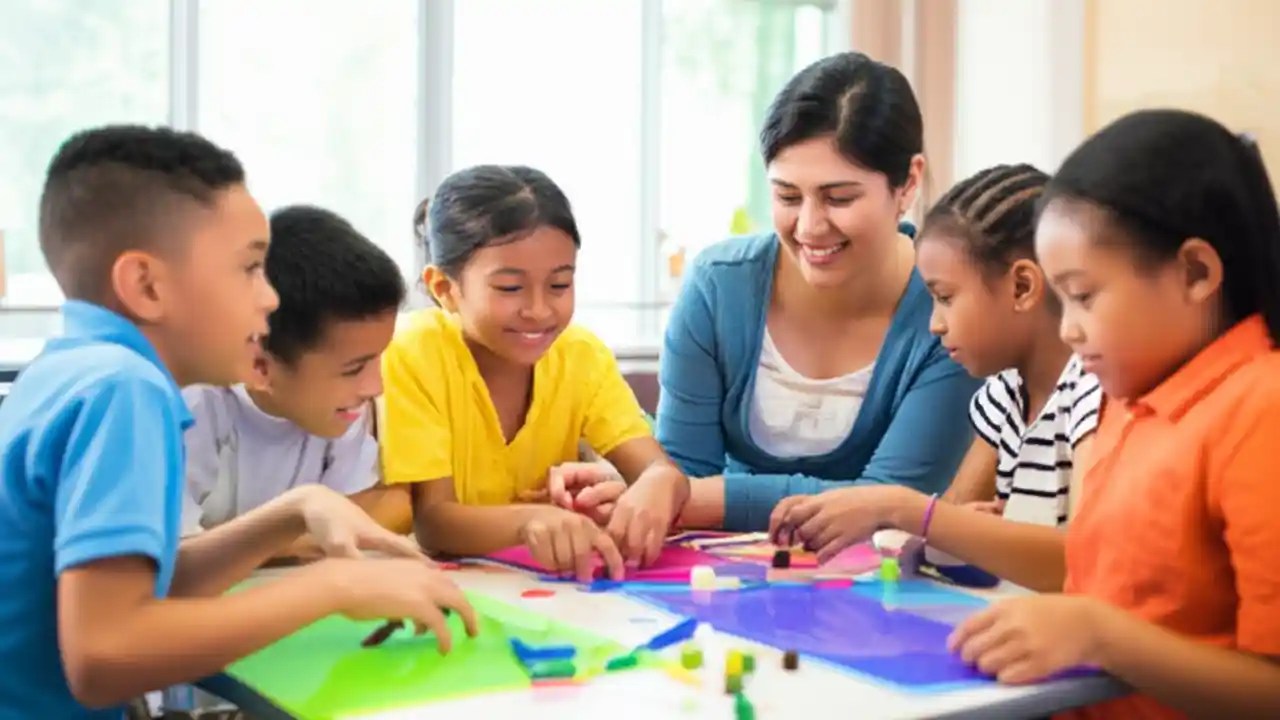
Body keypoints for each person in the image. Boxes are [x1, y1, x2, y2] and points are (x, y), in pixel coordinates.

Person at [774, 110, 1280, 718]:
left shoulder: (1260, 411)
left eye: (1085, 297)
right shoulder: (1135, 398)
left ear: (1196, 273)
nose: (1067, 328)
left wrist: (1098, 633)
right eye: (1062, 299)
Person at [0, 126, 476, 718]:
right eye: (249, 268)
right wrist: (331, 587)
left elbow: (154, 586)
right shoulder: (125, 391)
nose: (269, 298)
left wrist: (292, 510)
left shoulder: (67, 371)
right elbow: (101, 656)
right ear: (147, 285)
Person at [658, 51, 980, 531]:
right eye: (787, 196)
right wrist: (677, 492)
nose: (809, 227)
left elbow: (892, 504)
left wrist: (704, 496)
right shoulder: (718, 286)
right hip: (718, 579)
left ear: (908, 183)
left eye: (840, 198)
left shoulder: (948, 313)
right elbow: (678, 483)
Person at [380, 165, 690, 583]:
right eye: (510, 289)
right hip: (449, 590)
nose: (540, 310)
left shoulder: (581, 355)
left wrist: (659, 485)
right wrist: (531, 521)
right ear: (444, 288)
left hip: (550, 591)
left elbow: (658, 470)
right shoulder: (413, 351)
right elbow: (434, 522)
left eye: (560, 285)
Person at [182, 205, 413, 558]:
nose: (375, 387)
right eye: (354, 369)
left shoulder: (342, 409)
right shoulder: (193, 406)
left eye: (379, 357)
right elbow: (170, 555)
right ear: (259, 366)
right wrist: (293, 540)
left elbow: (378, 511)